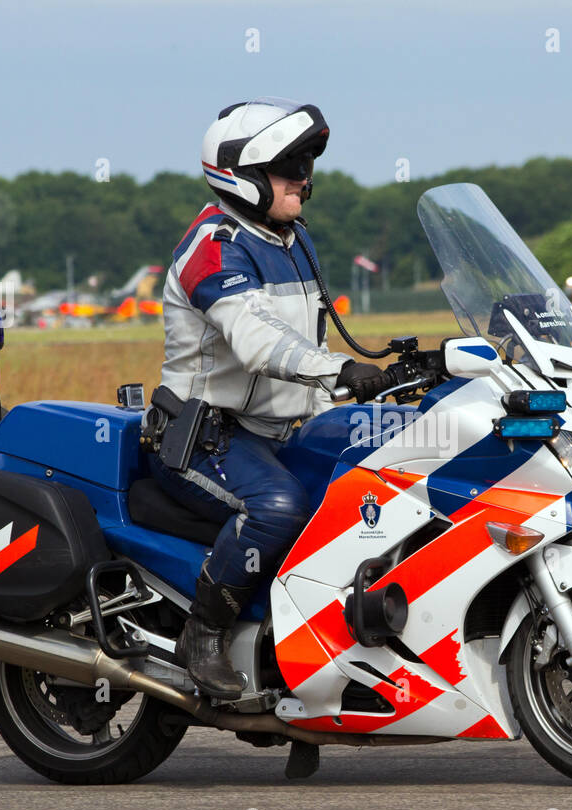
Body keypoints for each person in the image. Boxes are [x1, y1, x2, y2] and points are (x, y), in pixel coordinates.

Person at [148, 97, 388, 698]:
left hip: (280, 430)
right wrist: (343, 372)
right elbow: (258, 342)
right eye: (290, 169)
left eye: (306, 166)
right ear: (245, 176)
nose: (304, 181)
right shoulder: (215, 246)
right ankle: (203, 634)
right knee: (278, 508)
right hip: (206, 434)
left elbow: (308, 338)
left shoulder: (290, 240)